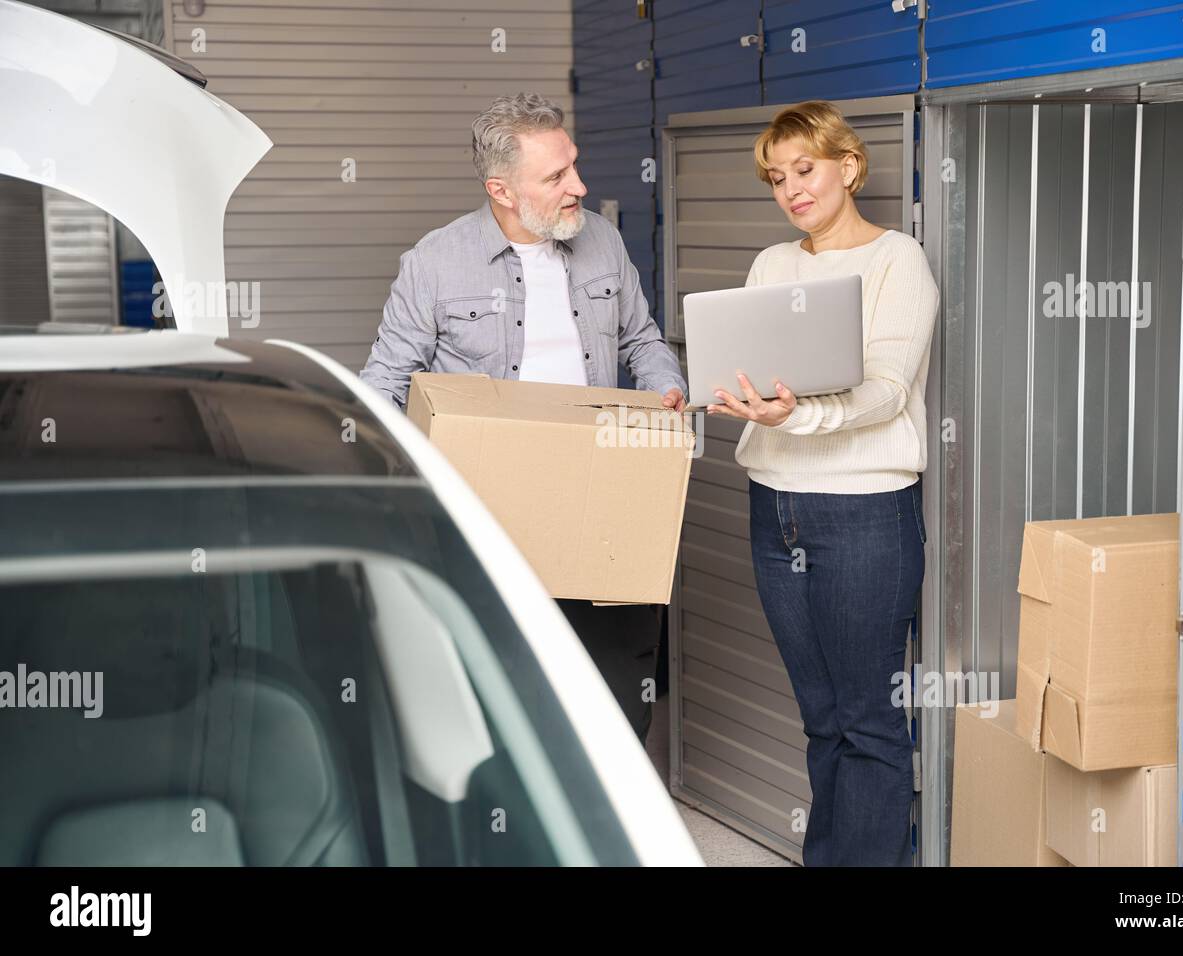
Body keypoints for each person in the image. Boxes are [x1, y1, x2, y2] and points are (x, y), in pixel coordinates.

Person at [359, 92, 687, 745]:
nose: (580, 187)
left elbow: (642, 341)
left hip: (602, 501)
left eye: (575, 166)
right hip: (488, 519)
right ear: (501, 189)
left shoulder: (603, 242)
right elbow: (383, 385)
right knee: (501, 708)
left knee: (618, 702)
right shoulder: (435, 263)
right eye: (557, 176)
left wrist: (665, 390)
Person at [707, 100, 939, 866]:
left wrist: (794, 418)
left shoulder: (895, 259)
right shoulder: (774, 265)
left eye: (805, 170)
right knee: (821, 715)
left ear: (849, 164)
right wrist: (733, 397)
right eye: (777, 178)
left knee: (867, 717)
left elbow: (885, 394)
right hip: (774, 507)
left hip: (864, 514)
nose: (792, 191)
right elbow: (754, 369)